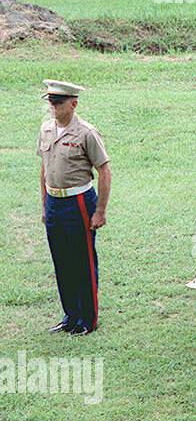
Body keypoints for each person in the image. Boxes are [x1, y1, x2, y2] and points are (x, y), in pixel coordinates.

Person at [38, 80, 111, 335]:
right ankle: (70, 316)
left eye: (58, 103)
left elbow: (104, 170)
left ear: (73, 103)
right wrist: (45, 204)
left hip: (79, 202)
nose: (53, 108)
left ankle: (87, 320)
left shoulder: (87, 133)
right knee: (62, 261)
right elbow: (44, 169)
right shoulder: (46, 129)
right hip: (55, 201)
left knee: (83, 260)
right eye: (51, 102)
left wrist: (100, 210)